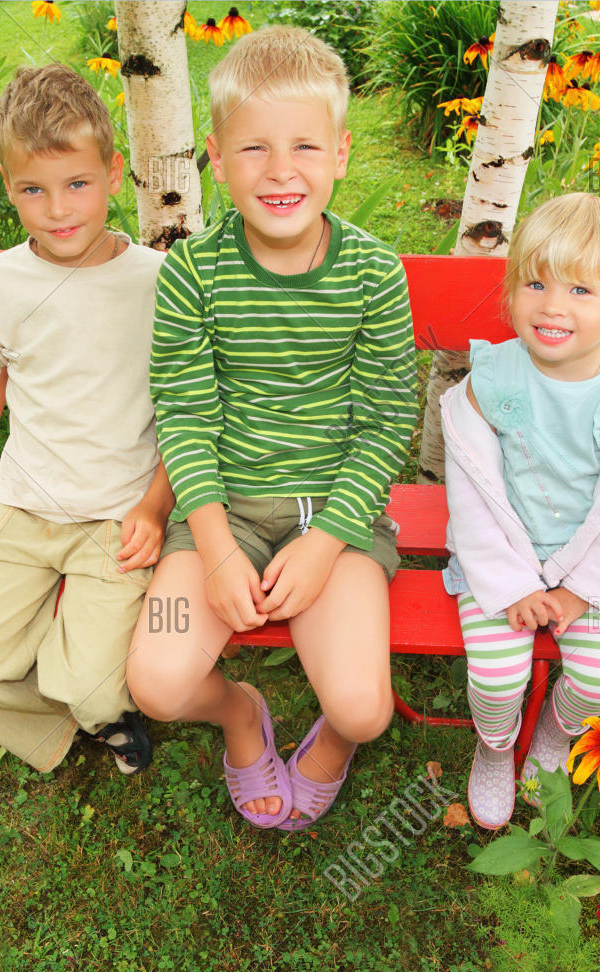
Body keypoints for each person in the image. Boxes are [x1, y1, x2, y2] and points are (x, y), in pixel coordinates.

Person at [126, 26, 418, 830]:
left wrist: (327, 540)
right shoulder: (192, 273)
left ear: (342, 154)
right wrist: (215, 550)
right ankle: (241, 713)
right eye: (253, 148)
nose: (281, 170)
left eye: (304, 146)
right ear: (215, 160)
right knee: (156, 677)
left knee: (364, 707)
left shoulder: (372, 271)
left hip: (341, 519)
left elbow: (388, 417)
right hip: (217, 515)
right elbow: (184, 412)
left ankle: (330, 747)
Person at [0, 64, 172, 776]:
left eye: (76, 183)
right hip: (22, 502)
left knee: (91, 687)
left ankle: (89, 698)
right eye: (32, 191)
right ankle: (63, 726)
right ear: (7, 188)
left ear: (113, 174)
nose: (57, 209)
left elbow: (190, 411)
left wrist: (155, 503)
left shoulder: (158, 281)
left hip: (117, 514)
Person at [441, 192, 600, 829]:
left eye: (582, 290)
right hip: (502, 556)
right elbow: (472, 492)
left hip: (590, 571)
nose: (552, 305)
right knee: (497, 677)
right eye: (536, 282)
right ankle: (495, 747)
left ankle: (550, 738)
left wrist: (579, 591)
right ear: (511, 289)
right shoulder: (492, 379)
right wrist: (512, 582)